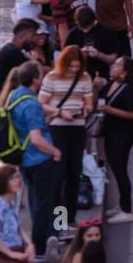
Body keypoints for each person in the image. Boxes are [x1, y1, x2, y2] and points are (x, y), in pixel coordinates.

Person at [6, 63, 62, 260]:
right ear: (36, 79)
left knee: (35, 199)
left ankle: (50, 234)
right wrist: (55, 151)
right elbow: (37, 138)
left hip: (23, 158)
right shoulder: (31, 104)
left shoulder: (14, 96)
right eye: (40, 75)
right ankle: (47, 240)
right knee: (50, 200)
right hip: (40, 159)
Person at [40, 46, 94, 231]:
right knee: (59, 175)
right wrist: (59, 112)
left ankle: (70, 218)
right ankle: (59, 220)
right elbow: (42, 103)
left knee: (74, 174)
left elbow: (89, 103)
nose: (74, 70)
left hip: (77, 129)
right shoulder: (52, 78)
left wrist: (85, 110)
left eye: (77, 67)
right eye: (71, 67)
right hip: (58, 128)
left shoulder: (85, 78)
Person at [94, 56, 133, 223]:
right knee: (115, 169)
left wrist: (109, 110)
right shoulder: (110, 84)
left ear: (125, 71)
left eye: (117, 65)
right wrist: (94, 86)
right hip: (110, 132)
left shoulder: (128, 89)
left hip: (122, 134)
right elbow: (97, 100)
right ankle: (122, 204)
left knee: (120, 170)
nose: (113, 66)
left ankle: (127, 210)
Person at [0, 18, 40, 95]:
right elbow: (34, 74)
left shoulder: (11, 49)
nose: (35, 39)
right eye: (33, 35)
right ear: (23, 35)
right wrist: (34, 62)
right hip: (12, 99)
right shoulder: (13, 53)